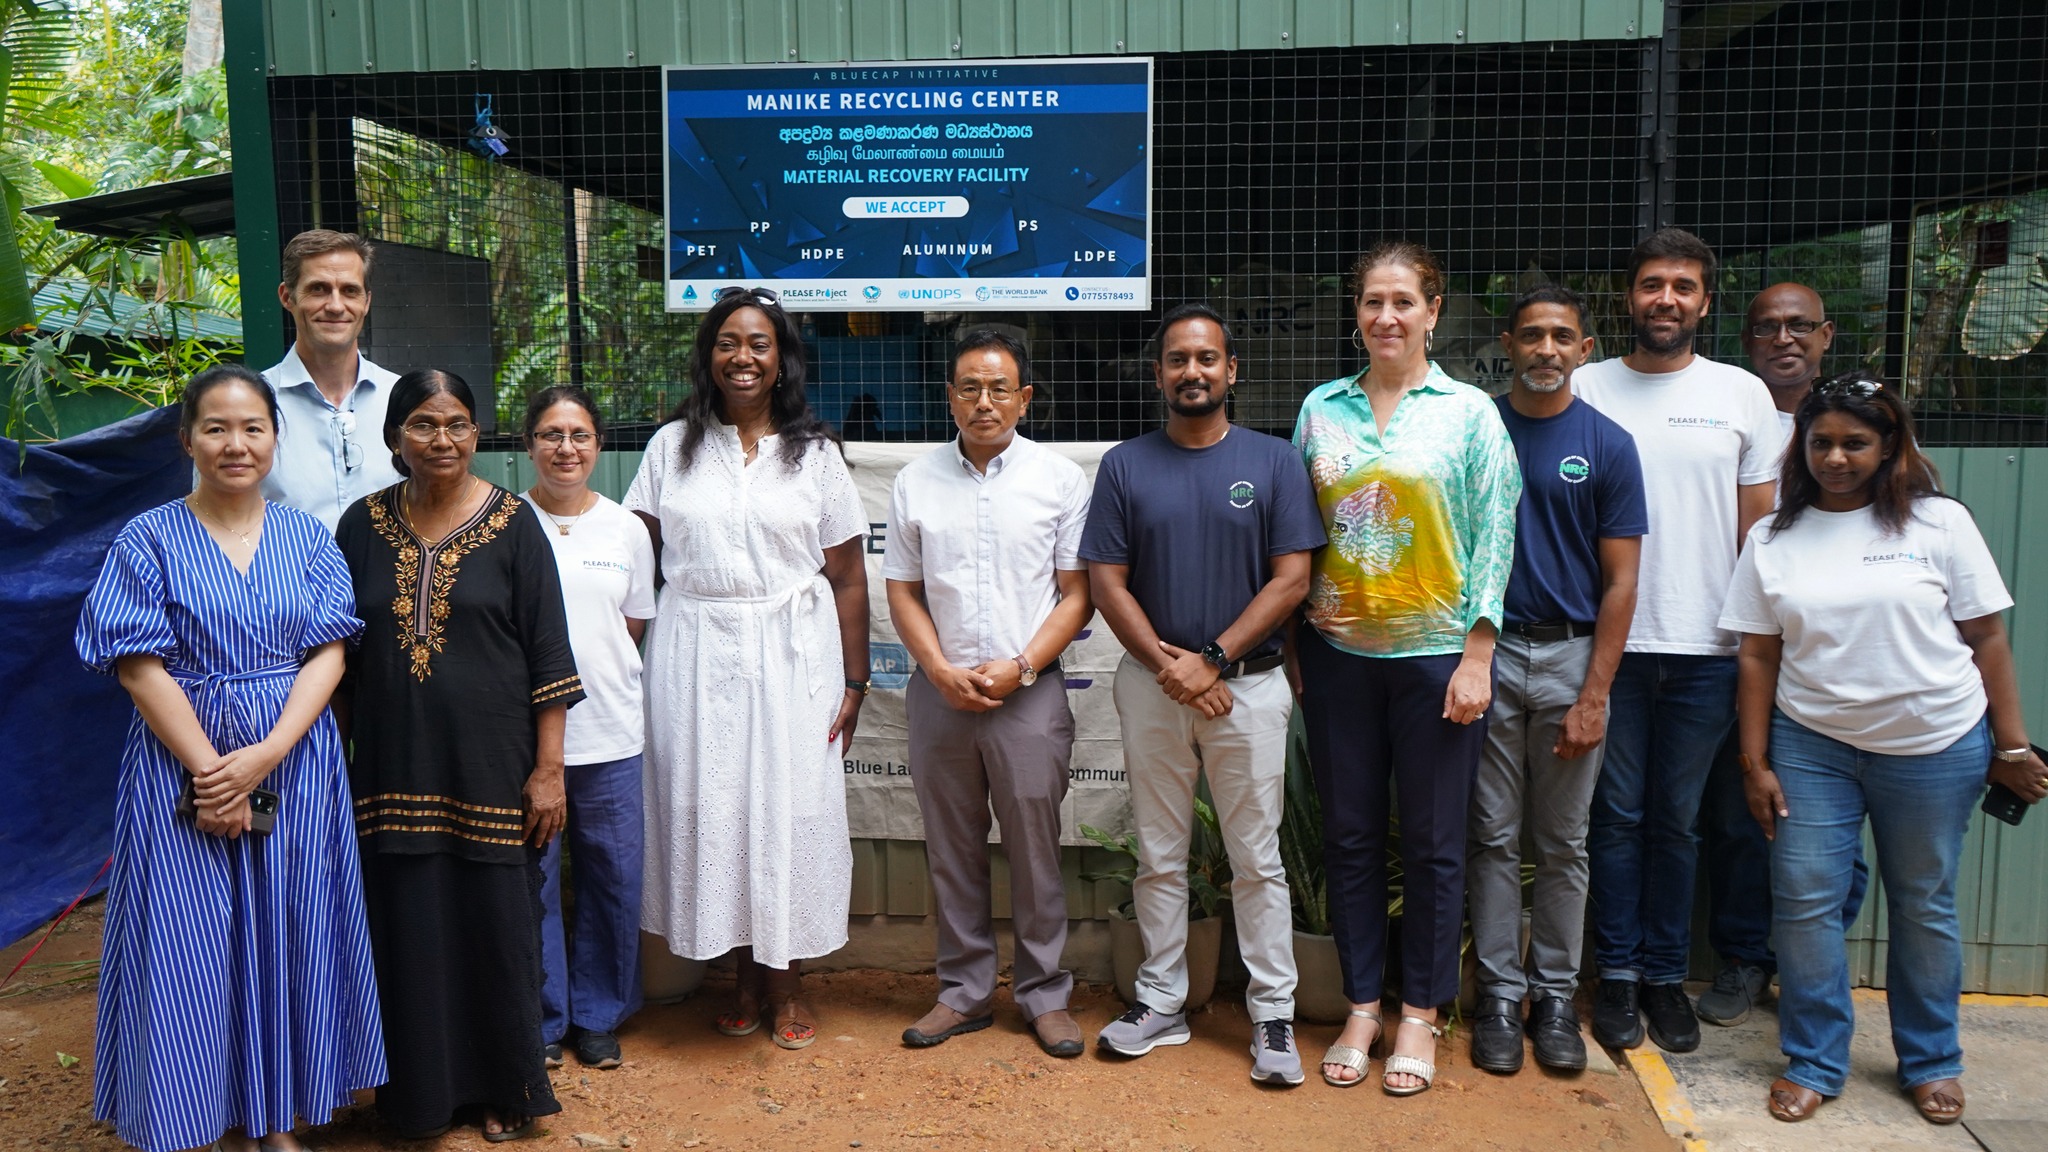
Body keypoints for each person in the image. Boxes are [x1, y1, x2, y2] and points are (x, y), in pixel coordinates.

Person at [1720, 375, 2045, 1126]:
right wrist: (1756, 762)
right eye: (1821, 441)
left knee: (1923, 903)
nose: (1836, 457)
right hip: (1813, 746)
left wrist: (2013, 743)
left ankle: (1931, 1061)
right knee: (1803, 902)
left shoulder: (1939, 525)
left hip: (1934, 744)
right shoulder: (1774, 535)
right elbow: (1758, 656)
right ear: (1799, 447)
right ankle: (1814, 1060)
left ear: (1890, 445)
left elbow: (1988, 637)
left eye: (1855, 442)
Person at [76, 365, 383, 1152]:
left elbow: (329, 652)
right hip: (181, 768)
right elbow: (138, 664)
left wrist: (267, 755)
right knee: (193, 947)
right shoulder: (148, 537)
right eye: (216, 428)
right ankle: (201, 1118)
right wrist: (214, 770)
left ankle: (275, 1117)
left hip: (296, 764)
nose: (235, 444)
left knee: (289, 934)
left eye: (253, 428)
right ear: (188, 440)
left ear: (275, 440)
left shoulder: (306, 537)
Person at [1292, 241, 1520, 1094]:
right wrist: (1293, 645)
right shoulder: (1322, 408)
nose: (1386, 316)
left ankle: (1419, 1013)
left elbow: (1496, 533)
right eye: (1372, 301)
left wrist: (1479, 653)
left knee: (1431, 846)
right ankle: (1360, 1005)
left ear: (1434, 310)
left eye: (1403, 302)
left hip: (1437, 662)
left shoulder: (1468, 414)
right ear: (1357, 312)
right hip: (1338, 656)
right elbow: (1300, 535)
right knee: (1349, 838)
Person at [335, 369, 583, 1142]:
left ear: (478, 434)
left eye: (458, 423)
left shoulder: (513, 523)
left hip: (493, 770)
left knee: (497, 927)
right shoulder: (360, 525)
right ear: (395, 437)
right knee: (405, 927)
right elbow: (336, 652)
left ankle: (508, 1086)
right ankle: (417, 1095)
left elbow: (549, 656)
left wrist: (548, 772)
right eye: (422, 424)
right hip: (392, 770)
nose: (441, 439)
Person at [1085, 304, 1327, 1086]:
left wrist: (1214, 661)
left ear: (1232, 370)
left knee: (1257, 859)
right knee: (1159, 854)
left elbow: (1293, 578)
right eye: (1178, 360)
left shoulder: (1276, 461)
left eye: (1208, 359)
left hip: (1248, 691)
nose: (1194, 371)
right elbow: (1105, 581)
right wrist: (1174, 671)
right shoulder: (1126, 464)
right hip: (1155, 688)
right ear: (1159, 375)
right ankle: (1160, 1002)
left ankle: (1273, 1018)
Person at [627, 286, 870, 1052]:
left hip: (793, 652)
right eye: (728, 341)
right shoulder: (672, 448)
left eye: (759, 343)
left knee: (787, 806)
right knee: (716, 802)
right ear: (708, 355)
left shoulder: (817, 455)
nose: (743, 356)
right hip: (694, 647)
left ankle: (787, 981)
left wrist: (856, 682)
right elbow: (637, 561)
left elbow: (850, 577)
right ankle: (737, 975)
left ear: (782, 359)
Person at [1573, 228, 1786, 1054]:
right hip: (1608, 648)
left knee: (1678, 822)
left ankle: (1666, 978)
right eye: (1653, 284)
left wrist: (1752, 651)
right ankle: (1618, 978)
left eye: (1684, 287)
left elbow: (1757, 533)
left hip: (1708, 650)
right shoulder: (1587, 387)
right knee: (1617, 817)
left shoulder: (1741, 395)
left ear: (1705, 301)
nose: (1667, 299)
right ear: (1627, 297)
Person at [885, 330, 1094, 1057]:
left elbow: (1077, 596)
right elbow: (903, 591)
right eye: (969, 387)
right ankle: (964, 991)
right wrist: (940, 669)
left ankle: (1043, 994)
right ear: (950, 397)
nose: (984, 402)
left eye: (999, 388)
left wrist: (1023, 667)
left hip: (1026, 694)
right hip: (939, 692)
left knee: (1036, 848)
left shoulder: (1060, 480)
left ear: (1024, 397)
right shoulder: (915, 480)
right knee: (952, 847)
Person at [1467, 286, 1645, 1075]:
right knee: (1494, 837)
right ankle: (1500, 997)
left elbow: (1622, 582)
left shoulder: (1608, 444)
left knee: (1564, 844)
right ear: (1508, 343)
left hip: (1573, 659)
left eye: (1562, 337)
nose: (1546, 349)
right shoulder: (1478, 431)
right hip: (1488, 656)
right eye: (1532, 335)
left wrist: (1596, 693)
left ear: (1585, 348)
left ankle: (1555, 998)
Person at [1694, 283, 1863, 1028]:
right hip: (1743, 649)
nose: (1783, 339)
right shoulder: (1728, 410)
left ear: (1826, 335)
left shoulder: (1860, 421)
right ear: (1747, 337)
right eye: (1767, 328)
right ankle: (1743, 960)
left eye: (1799, 327)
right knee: (1740, 815)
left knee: (1832, 830)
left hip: (1836, 662)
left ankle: (1806, 960)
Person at [520, 386, 658, 1071]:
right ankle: (542, 1018)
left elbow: (630, 627)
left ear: (599, 446)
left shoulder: (626, 529)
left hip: (609, 733)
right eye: (550, 434)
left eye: (578, 435)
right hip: (524, 742)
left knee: (612, 877)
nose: (565, 448)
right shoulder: (507, 523)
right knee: (531, 881)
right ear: (529, 447)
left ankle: (600, 1015)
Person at [260, 230, 403, 532]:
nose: (336, 306)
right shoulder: (254, 403)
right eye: (319, 289)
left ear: (366, 301)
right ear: (287, 297)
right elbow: (212, 517)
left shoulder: (402, 398)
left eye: (350, 291)